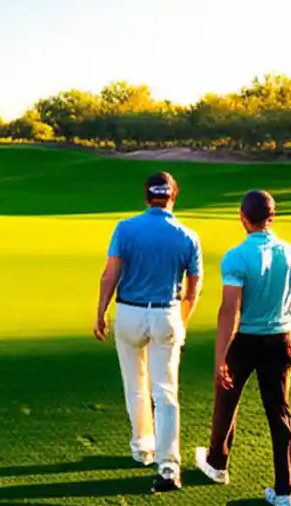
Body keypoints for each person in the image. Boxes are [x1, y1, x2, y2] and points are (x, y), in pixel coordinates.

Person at [195, 189, 291, 506]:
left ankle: (217, 465)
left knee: (226, 401)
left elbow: (230, 311)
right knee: (279, 413)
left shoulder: (236, 256)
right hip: (281, 339)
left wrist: (221, 357)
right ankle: (284, 492)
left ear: (242, 218)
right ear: (272, 217)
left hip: (244, 341)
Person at [94, 171, 203, 493]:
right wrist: (181, 321)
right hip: (167, 313)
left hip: (129, 312)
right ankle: (169, 467)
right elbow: (193, 290)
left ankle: (143, 448)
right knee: (165, 393)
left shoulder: (125, 228)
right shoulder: (187, 235)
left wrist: (101, 310)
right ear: (173, 196)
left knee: (135, 386)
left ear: (146, 197)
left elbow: (109, 274)